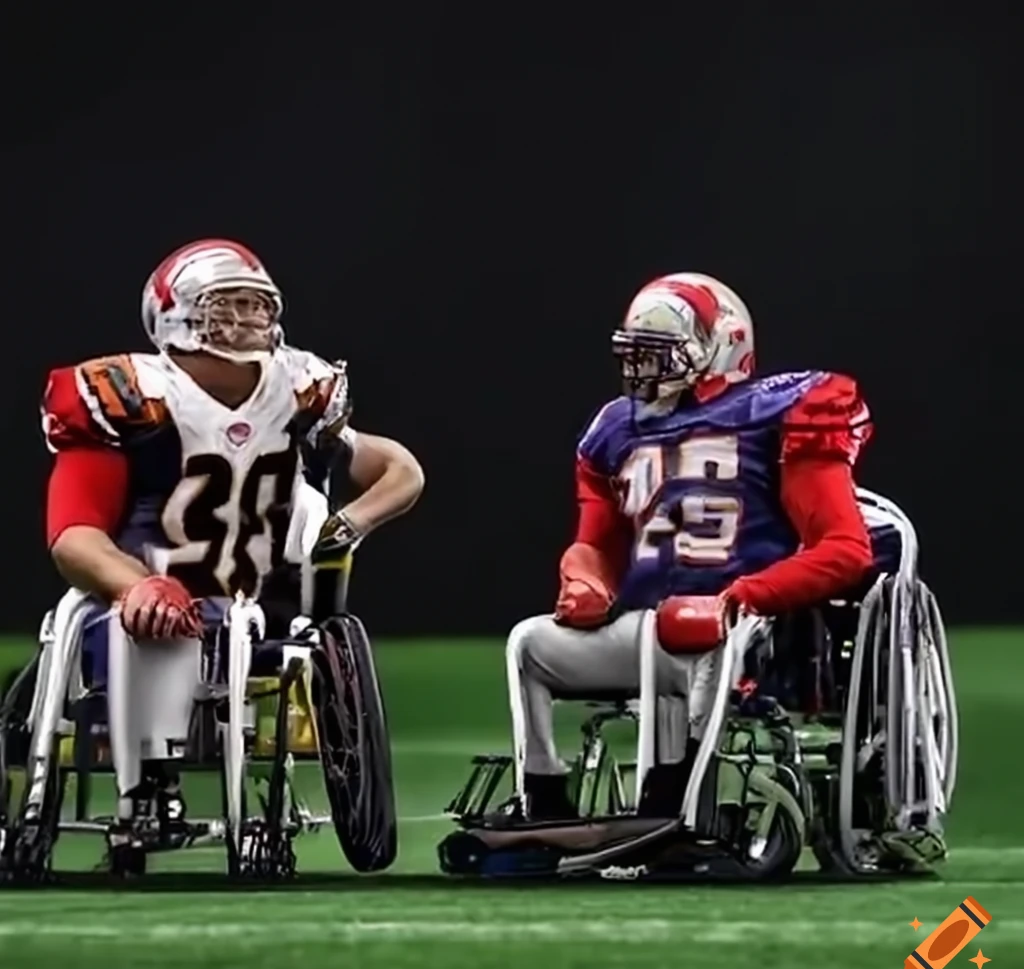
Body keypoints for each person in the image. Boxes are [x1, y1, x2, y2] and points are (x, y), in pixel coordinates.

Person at [40, 237, 424, 845]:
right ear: (172, 315)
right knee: (161, 627)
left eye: (255, 304)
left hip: (263, 610)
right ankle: (149, 790)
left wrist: (345, 526)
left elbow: (400, 469)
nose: (245, 319)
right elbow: (73, 533)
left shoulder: (298, 389)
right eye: (225, 305)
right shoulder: (130, 394)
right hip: (145, 602)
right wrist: (139, 586)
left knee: (218, 620)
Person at [508, 272, 875, 820]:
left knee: (699, 633)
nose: (642, 367)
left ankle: (674, 798)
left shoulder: (779, 408)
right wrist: (585, 579)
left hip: (747, 630)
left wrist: (741, 597)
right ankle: (542, 796)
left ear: (720, 346)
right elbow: (594, 542)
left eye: (662, 351)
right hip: (649, 623)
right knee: (528, 643)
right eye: (637, 352)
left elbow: (846, 549)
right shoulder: (616, 427)